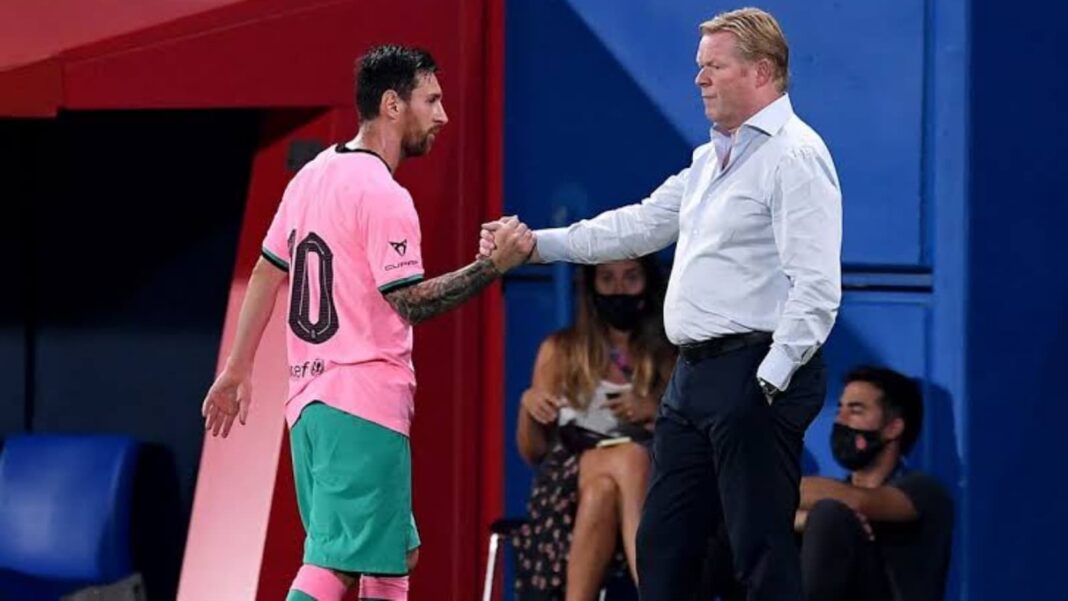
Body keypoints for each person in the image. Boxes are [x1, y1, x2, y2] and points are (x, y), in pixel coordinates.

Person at [482, 7, 842, 599]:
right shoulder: (710, 161)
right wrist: (534, 246)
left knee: (758, 549)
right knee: (663, 544)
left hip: (755, 371)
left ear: (760, 72)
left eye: (713, 67)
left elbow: (818, 289)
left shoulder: (795, 156)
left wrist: (767, 382)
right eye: (699, 67)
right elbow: (635, 226)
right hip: (694, 376)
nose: (699, 79)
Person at [200, 45, 533, 601]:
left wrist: (238, 368)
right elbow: (412, 303)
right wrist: (490, 267)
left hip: (310, 405)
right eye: (431, 100)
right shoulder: (383, 193)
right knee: (336, 564)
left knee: (394, 554)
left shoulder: (312, 174)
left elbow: (266, 269)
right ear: (392, 105)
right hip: (360, 402)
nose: (443, 115)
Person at [512, 257, 675, 601]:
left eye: (631, 278)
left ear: (648, 283)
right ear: (592, 287)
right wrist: (528, 406)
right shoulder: (560, 350)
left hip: (643, 487)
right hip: (565, 481)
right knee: (630, 457)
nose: (619, 289)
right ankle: (656, 591)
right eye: (607, 279)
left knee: (603, 491)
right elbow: (533, 453)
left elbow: (693, 436)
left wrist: (654, 409)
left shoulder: (667, 355)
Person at [796, 367, 954, 601]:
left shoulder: (924, 491)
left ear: (893, 428)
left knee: (830, 515)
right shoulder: (828, 501)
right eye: (840, 409)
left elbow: (860, 501)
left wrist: (814, 515)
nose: (841, 420)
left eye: (855, 410)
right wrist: (807, 520)